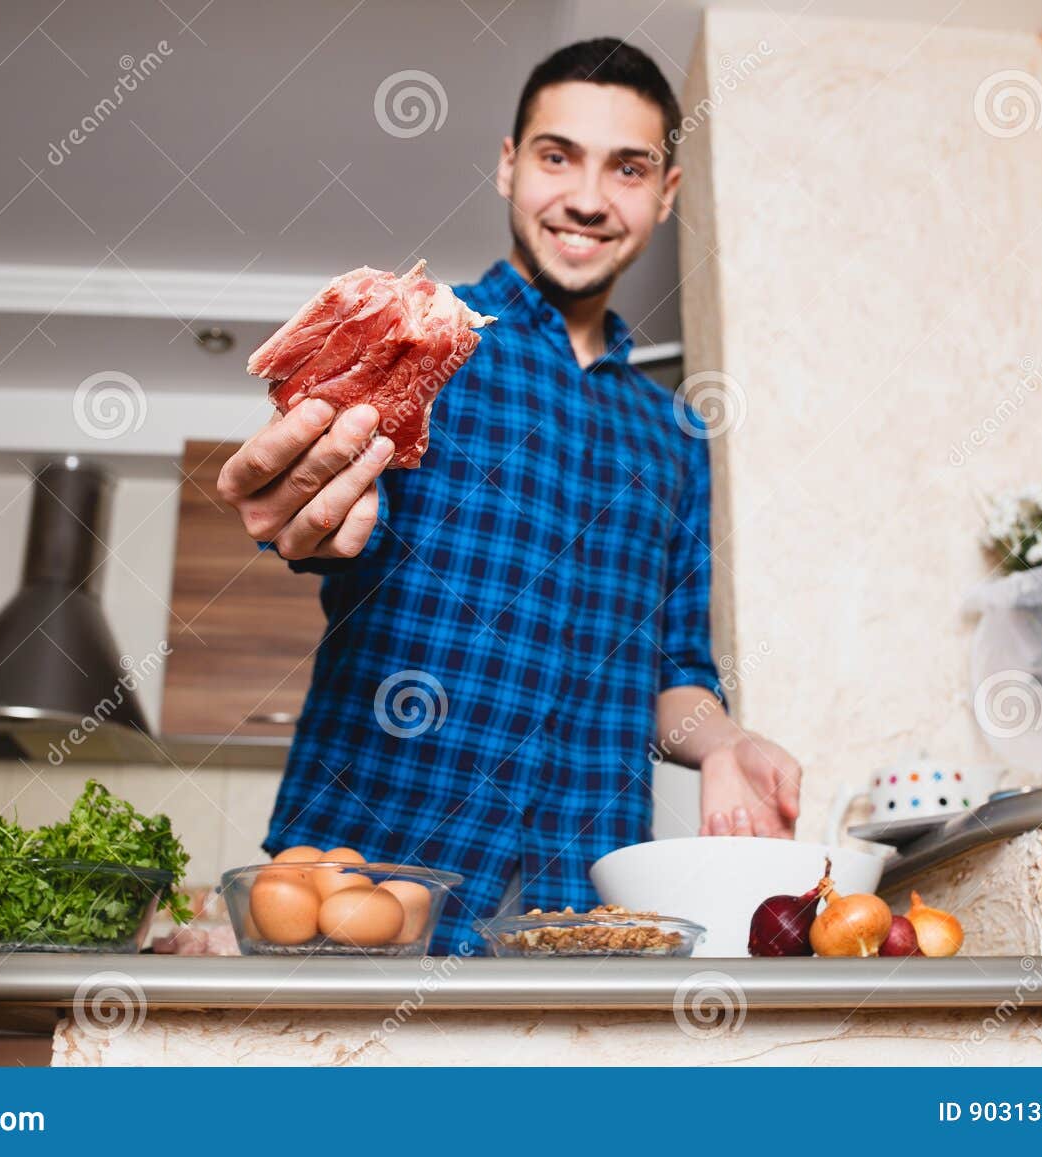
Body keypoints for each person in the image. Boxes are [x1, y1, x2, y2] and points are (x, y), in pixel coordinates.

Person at [217, 38, 803, 952]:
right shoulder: (419, 342)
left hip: (585, 901)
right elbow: (318, 524)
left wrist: (725, 743)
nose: (586, 197)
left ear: (668, 194)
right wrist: (302, 522)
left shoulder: (675, 436)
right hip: (372, 868)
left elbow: (674, 669)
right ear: (507, 165)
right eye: (557, 155)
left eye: (629, 168)